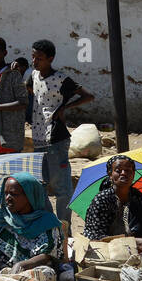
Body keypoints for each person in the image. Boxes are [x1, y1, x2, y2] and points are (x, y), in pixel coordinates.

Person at [28, 39, 94, 223]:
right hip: (38, 138)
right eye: (33, 57)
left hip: (56, 138)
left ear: (50, 58)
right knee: (39, 187)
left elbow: (88, 96)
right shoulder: (33, 76)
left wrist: (64, 108)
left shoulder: (61, 79)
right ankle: (50, 225)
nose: (35, 61)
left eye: (39, 58)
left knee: (62, 189)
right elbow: (30, 91)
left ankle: (64, 229)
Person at [0, 174, 74, 281]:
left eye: (13, 194)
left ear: (30, 196)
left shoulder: (47, 221)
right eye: (6, 193)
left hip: (29, 272)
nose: (7, 198)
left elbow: (48, 255)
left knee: (47, 274)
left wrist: (22, 265)